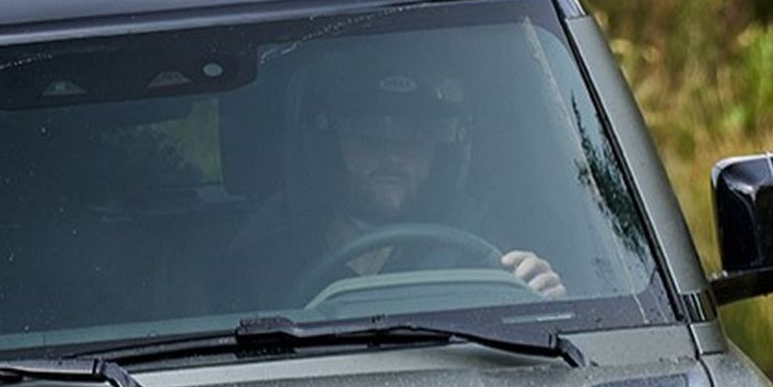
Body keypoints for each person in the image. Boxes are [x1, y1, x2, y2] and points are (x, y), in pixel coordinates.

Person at [226, 49, 566, 309]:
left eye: (414, 137)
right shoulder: (270, 248)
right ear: (332, 145)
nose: (393, 155)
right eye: (370, 134)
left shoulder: (481, 243)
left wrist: (542, 298)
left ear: (440, 149)